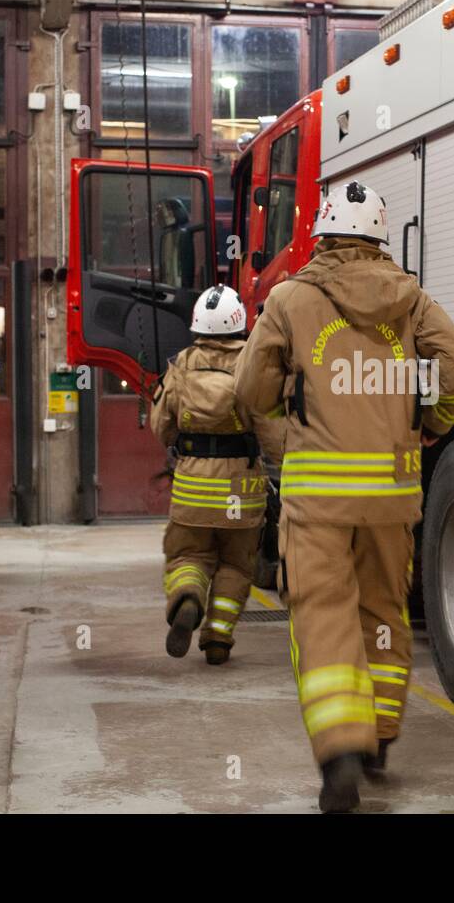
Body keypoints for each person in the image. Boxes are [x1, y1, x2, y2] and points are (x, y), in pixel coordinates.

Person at [235, 181, 454, 812]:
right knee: (383, 612)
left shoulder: (290, 300)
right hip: (393, 498)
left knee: (322, 616)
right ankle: (381, 735)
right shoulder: (411, 300)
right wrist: (430, 421)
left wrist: (283, 434)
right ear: (379, 238)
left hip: (317, 499)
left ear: (321, 234)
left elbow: (250, 390)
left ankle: (341, 748)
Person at [151, 284, 284, 665]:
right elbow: (274, 434)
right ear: (240, 322)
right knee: (236, 564)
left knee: (188, 556)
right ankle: (218, 638)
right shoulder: (252, 365)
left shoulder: (180, 366)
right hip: (241, 492)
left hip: (193, 489)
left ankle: (188, 597)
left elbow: (162, 428)